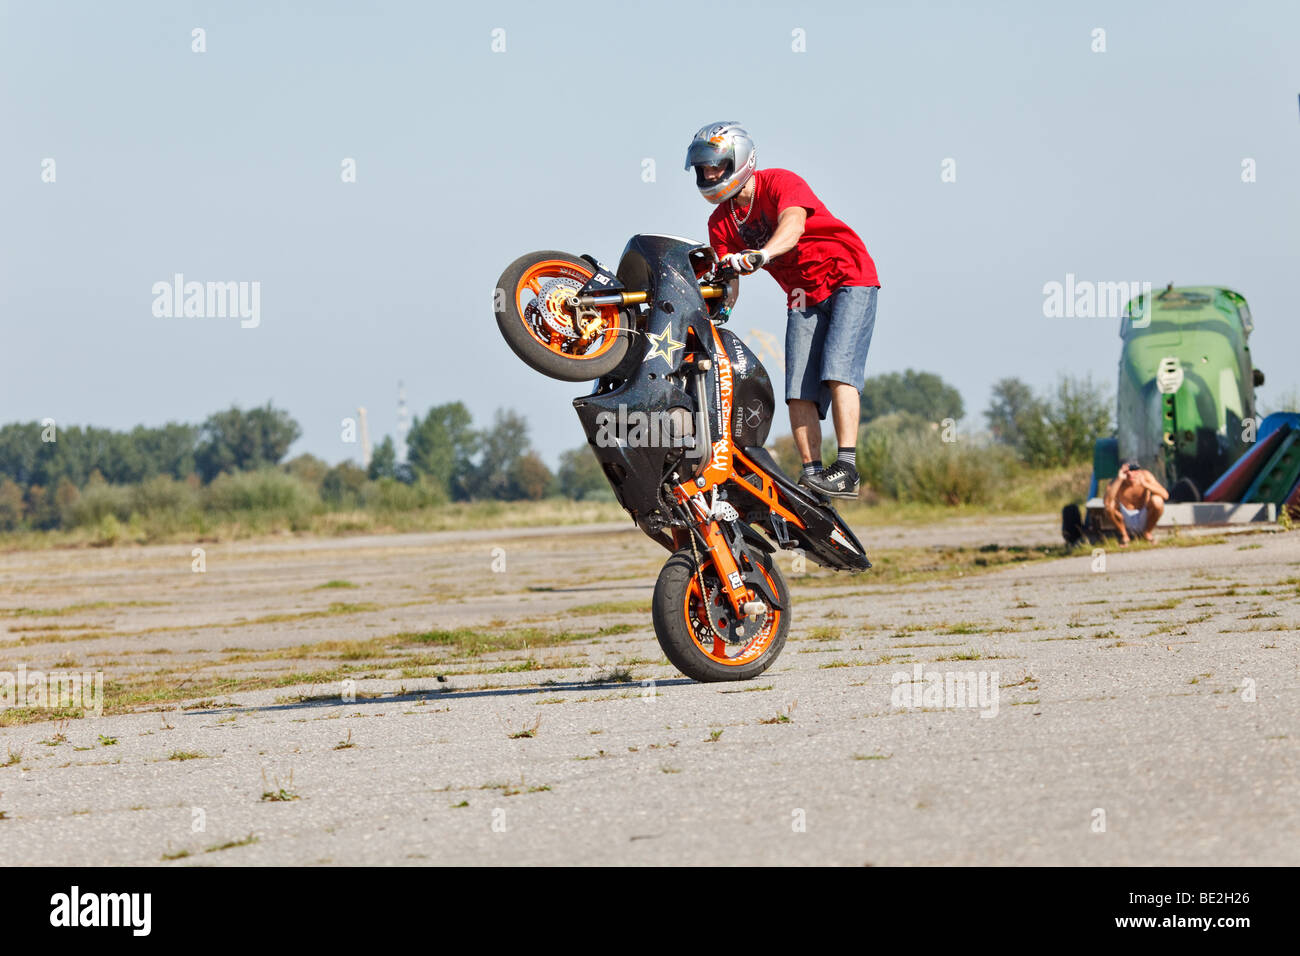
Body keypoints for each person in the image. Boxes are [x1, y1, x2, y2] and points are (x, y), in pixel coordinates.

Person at [684, 121, 880, 499]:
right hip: (802, 295)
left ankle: (847, 469)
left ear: (740, 161)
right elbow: (730, 279)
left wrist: (763, 254)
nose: (709, 174)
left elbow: (792, 225)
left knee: (838, 371)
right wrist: (718, 309)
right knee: (798, 390)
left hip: (848, 277)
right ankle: (813, 477)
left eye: (716, 166)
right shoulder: (719, 222)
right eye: (703, 168)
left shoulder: (779, 182)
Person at [1104, 461, 1168, 545]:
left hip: (1144, 515)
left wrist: (1145, 484)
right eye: (1127, 471)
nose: (1130, 474)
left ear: (1138, 470)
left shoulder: (1146, 476)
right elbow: (1107, 503)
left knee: (1157, 501)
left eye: (1133, 470)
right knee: (1110, 506)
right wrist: (1119, 480)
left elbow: (1165, 495)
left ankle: (1147, 533)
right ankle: (1124, 535)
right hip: (1125, 518)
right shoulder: (1117, 481)